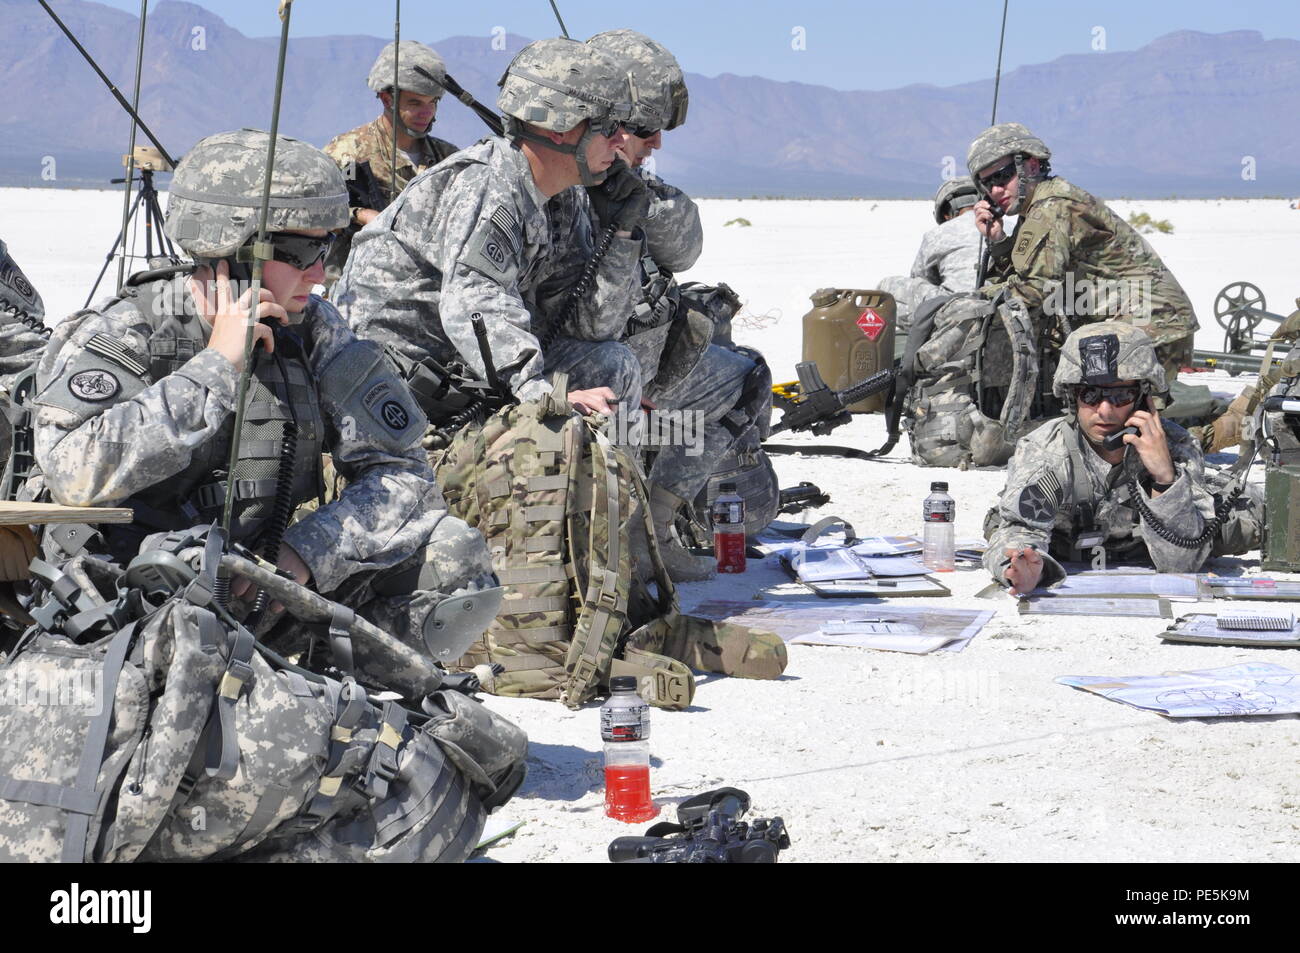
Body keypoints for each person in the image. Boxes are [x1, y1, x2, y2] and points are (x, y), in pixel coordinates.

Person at [27, 129, 499, 694]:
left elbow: (405, 475)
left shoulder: (316, 332)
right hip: (129, 602)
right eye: (302, 253)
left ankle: (328, 692)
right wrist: (217, 365)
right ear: (231, 247)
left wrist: (303, 554)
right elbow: (73, 473)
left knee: (454, 556)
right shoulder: (133, 328)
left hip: (260, 589)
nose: (320, 273)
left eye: (329, 249)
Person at [334, 36, 648, 424]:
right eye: (609, 126)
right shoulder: (486, 184)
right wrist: (540, 393)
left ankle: (610, 484)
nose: (621, 142)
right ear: (559, 126)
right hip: (399, 377)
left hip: (462, 364)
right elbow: (473, 303)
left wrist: (621, 235)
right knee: (553, 414)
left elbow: (592, 326)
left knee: (613, 365)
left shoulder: (562, 198)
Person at [584, 29, 773, 580]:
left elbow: (684, 246)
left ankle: (655, 529)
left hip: (645, 383)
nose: (657, 144)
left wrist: (627, 191)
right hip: (586, 392)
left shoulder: (628, 185)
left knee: (745, 380)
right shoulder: (548, 191)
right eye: (644, 129)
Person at [983, 322, 1261, 594]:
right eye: (1089, 394)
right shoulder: (1044, 451)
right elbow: (1017, 531)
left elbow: (1182, 563)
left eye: (1120, 395)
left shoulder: (1176, 447)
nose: (1104, 411)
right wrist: (1026, 568)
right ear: (1072, 397)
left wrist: (1164, 477)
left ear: (1143, 398)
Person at [969, 123, 1197, 387]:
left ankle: (1224, 426)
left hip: (1150, 324)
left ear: (1030, 165)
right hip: (1135, 322)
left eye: (1002, 176)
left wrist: (972, 302)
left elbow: (1034, 290)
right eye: (987, 184)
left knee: (1128, 415)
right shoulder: (1036, 207)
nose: (995, 191)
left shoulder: (1052, 207)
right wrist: (997, 241)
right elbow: (1029, 275)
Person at [322, 41, 458, 286]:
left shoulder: (448, 159)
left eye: (433, 102)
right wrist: (361, 215)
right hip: (356, 285)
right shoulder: (349, 152)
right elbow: (317, 214)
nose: (426, 113)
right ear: (387, 99)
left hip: (424, 290)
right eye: (415, 103)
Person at [878, 176, 982, 338]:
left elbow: (920, 278)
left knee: (885, 288)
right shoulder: (1004, 226)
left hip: (955, 310)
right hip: (995, 306)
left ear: (947, 214)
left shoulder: (938, 233)